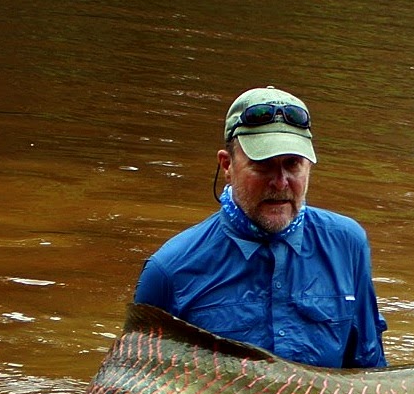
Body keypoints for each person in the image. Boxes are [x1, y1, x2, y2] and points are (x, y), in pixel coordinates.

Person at [133, 85, 388, 369]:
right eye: (263, 165)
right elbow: (131, 389)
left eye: (293, 164)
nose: (280, 182)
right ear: (227, 165)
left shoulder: (347, 244)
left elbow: (369, 370)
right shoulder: (168, 271)